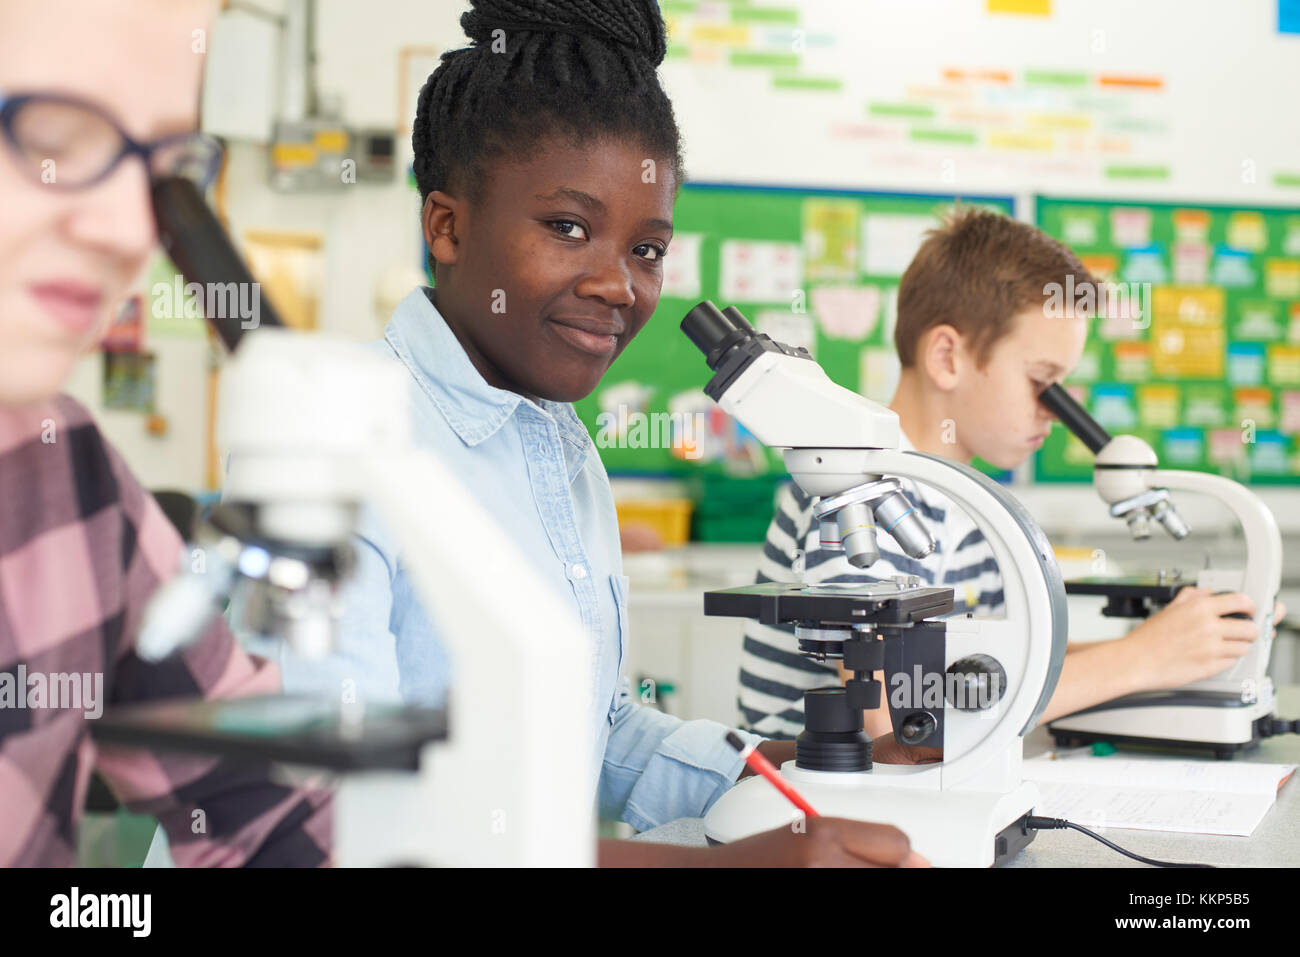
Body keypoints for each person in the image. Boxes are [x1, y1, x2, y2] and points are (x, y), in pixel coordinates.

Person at [265, 0, 923, 867]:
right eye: (568, 228)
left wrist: (774, 774)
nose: (619, 286)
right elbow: (326, 818)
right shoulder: (327, 441)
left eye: (646, 249)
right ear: (447, 225)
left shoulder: (564, 451)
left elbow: (593, 727)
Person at [739, 208, 1281, 742]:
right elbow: (896, 727)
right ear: (948, 357)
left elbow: (985, 672)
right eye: (1042, 381)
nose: (1056, 409)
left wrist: (1186, 647)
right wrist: (1141, 659)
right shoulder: (860, 490)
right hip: (812, 810)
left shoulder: (968, 502)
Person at [0, 0, 330, 866]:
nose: (126, 229)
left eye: (159, 167)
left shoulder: (68, 475)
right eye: (52, 137)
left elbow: (255, 802)